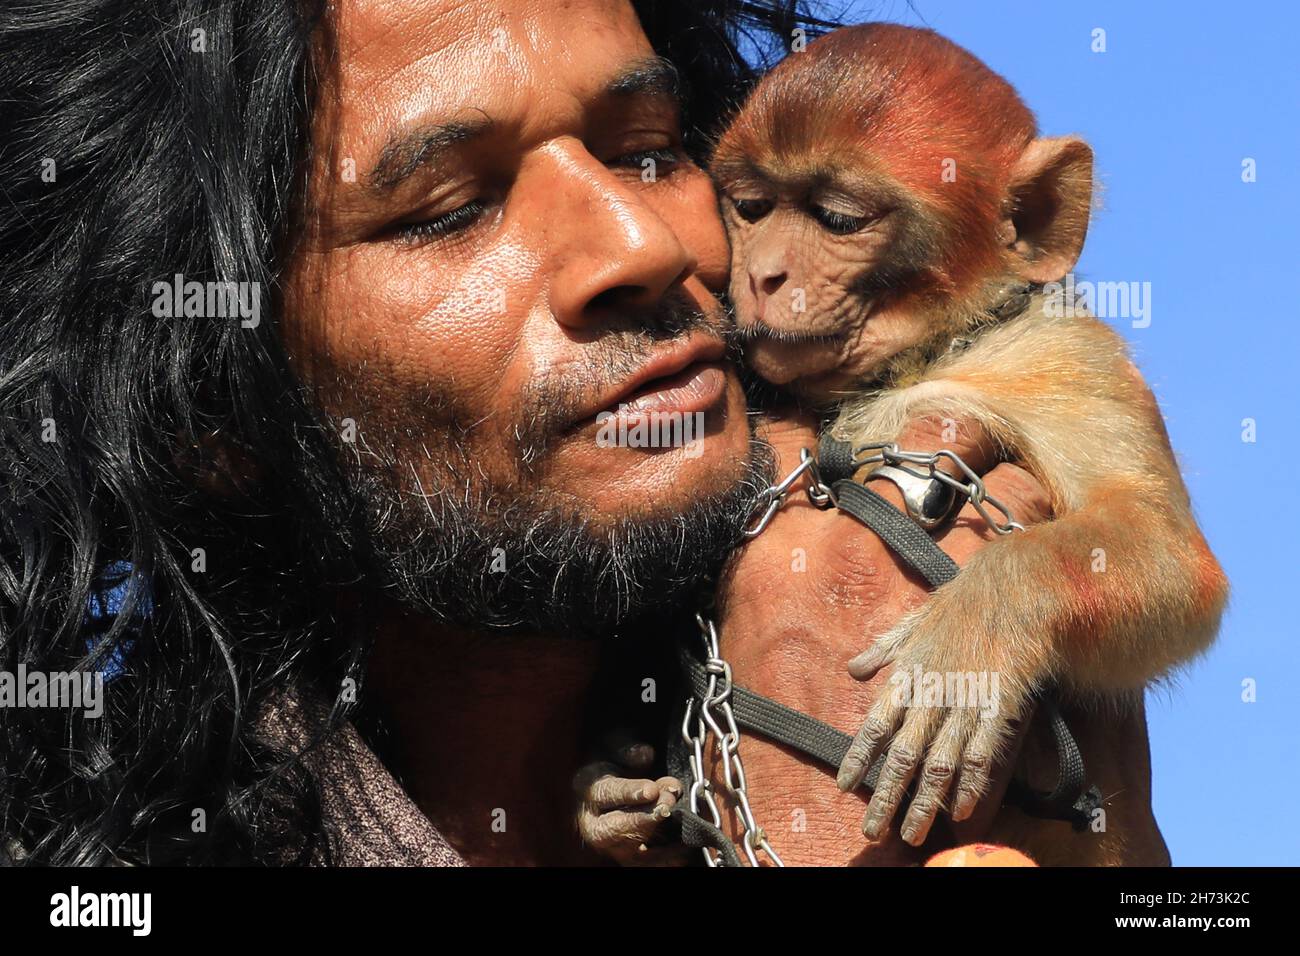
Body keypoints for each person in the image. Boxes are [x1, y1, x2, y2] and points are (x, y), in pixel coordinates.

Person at [0, 0, 1148, 866]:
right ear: (209, 406)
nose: (642, 241)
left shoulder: (945, 517)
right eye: (449, 207)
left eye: (649, 149)